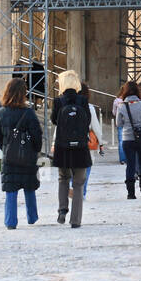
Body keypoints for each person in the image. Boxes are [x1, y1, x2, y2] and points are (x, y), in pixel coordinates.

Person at [0, 78, 42, 229]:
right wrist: (34, 150)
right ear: (23, 94)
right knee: (29, 186)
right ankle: (32, 217)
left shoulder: (0, 113)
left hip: (10, 157)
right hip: (27, 157)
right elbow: (37, 136)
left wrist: (6, 148)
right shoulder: (29, 113)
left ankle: (10, 221)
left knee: (11, 190)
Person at [50, 70, 92, 227]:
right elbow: (87, 120)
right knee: (79, 183)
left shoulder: (58, 101)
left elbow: (54, 120)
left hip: (62, 146)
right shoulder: (83, 100)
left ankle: (62, 209)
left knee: (63, 178)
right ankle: (75, 220)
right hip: (80, 147)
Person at [113, 80, 141, 198]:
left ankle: (131, 193)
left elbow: (118, 123)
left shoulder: (121, 106)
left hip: (127, 138)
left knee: (130, 164)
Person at [79, 81, 104, 198]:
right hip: (85, 140)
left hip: (69, 141)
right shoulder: (89, 108)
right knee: (86, 166)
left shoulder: (65, 106)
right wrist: (101, 142)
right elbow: (96, 127)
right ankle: (82, 192)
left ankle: (72, 186)